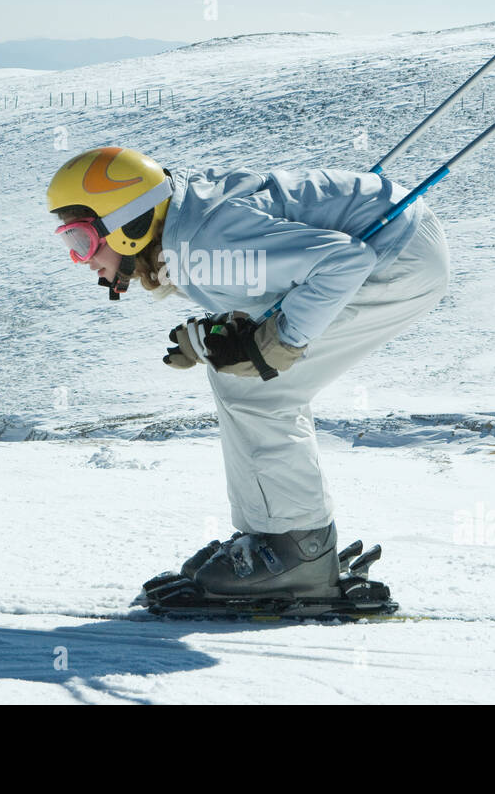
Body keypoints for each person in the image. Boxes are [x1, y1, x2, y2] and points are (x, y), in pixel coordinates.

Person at [47, 146, 450, 602]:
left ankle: (297, 554)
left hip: (397, 257)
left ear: (129, 224)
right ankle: (272, 540)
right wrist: (220, 339)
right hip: (398, 239)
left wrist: (281, 341)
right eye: (69, 244)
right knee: (241, 376)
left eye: (81, 241)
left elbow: (344, 261)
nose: (79, 259)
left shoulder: (204, 243)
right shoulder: (186, 231)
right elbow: (266, 283)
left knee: (258, 389)